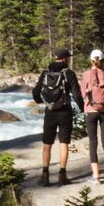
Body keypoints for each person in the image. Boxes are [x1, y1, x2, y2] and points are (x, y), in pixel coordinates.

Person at [31, 48, 79, 186]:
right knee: (63, 143)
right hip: (65, 112)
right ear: (64, 59)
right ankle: (62, 175)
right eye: (67, 58)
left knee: (47, 144)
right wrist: (83, 108)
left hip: (49, 111)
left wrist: (42, 102)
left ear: (55, 58)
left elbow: (35, 92)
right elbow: (76, 94)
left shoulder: (46, 72)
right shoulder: (69, 73)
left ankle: (45, 176)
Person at [79, 48, 104, 185]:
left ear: (91, 60)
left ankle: (96, 177)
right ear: (103, 60)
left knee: (93, 143)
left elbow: (83, 94)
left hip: (91, 111)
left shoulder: (86, 74)